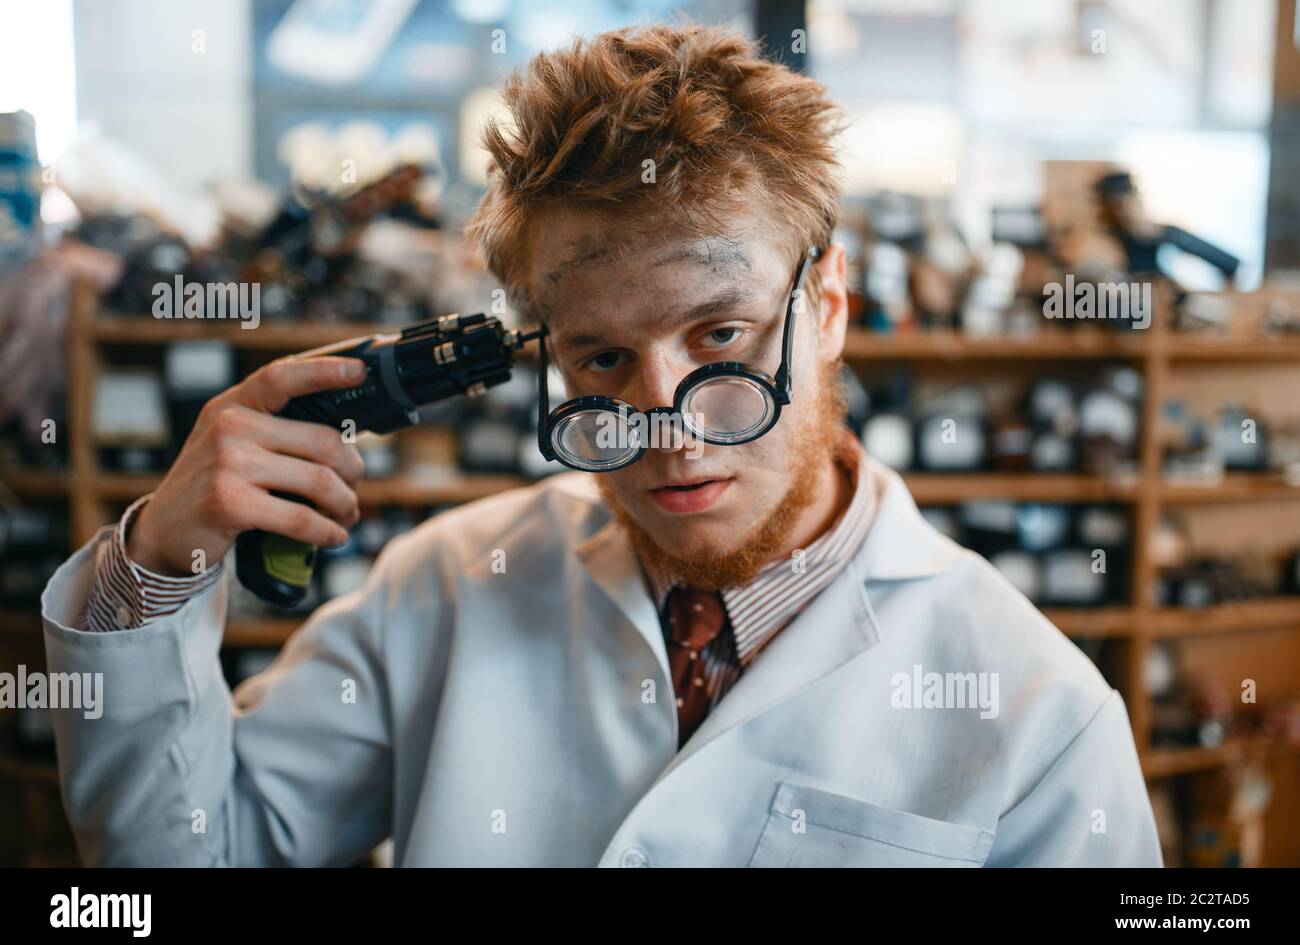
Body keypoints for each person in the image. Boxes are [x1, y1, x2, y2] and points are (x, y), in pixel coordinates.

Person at [41, 24, 1161, 867]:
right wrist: (155, 568)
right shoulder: (444, 585)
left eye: (719, 336)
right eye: (600, 358)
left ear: (827, 309)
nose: (664, 425)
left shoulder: (1038, 712)